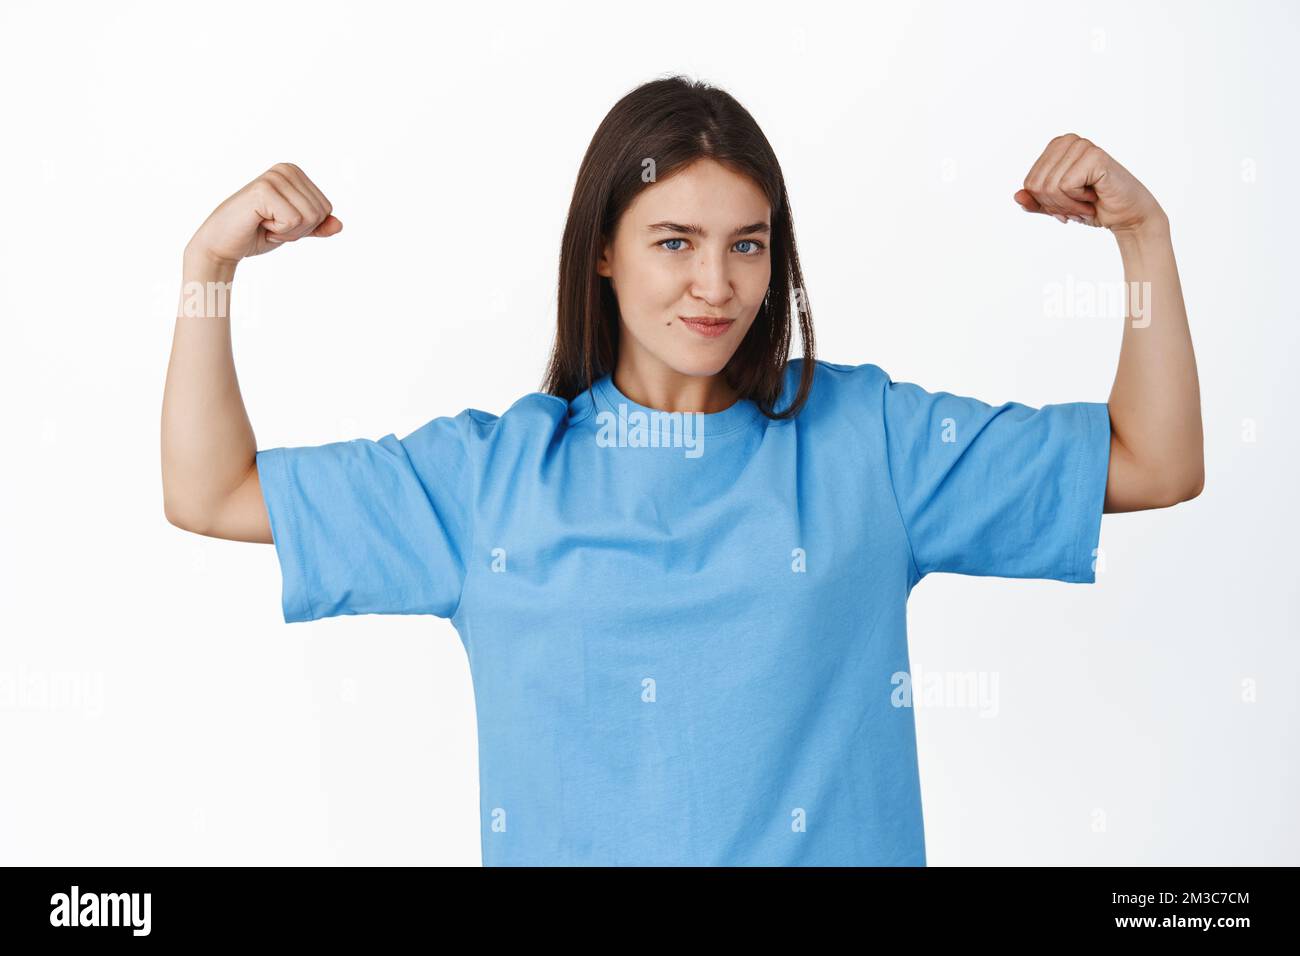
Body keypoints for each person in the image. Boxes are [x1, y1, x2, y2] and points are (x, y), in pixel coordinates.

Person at [161, 75, 1203, 866]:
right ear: (603, 252)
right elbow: (210, 493)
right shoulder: (490, 480)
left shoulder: (866, 441)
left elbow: (1153, 460)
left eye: (747, 245)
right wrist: (207, 270)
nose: (716, 284)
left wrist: (1143, 237)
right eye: (674, 241)